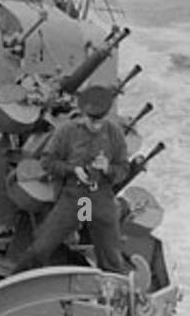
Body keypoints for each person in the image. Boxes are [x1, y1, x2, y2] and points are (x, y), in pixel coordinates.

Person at [13, 84, 131, 275]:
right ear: (83, 113)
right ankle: (13, 285)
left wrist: (108, 168)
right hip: (75, 197)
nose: (95, 125)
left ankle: (115, 297)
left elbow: (123, 169)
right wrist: (73, 169)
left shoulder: (114, 134)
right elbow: (47, 161)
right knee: (40, 248)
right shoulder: (66, 132)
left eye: (99, 121)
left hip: (99, 198)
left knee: (112, 258)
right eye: (91, 120)